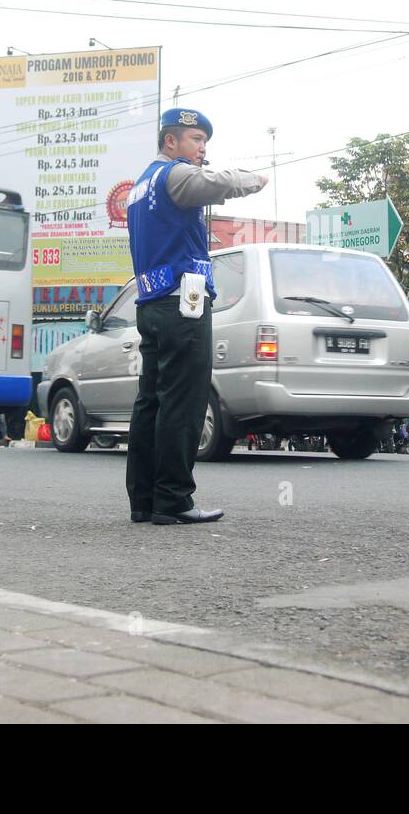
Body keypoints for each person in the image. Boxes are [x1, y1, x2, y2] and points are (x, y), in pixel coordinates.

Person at [125, 107, 267, 525]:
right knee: (183, 403)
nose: (202, 149)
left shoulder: (139, 186)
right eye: (196, 140)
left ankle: (144, 500)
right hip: (182, 303)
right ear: (171, 142)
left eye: (205, 142)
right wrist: (254, 179)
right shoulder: (174, 175)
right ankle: (173, 499)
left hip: (151, 303)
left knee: (150, 402)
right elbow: (215, 182)